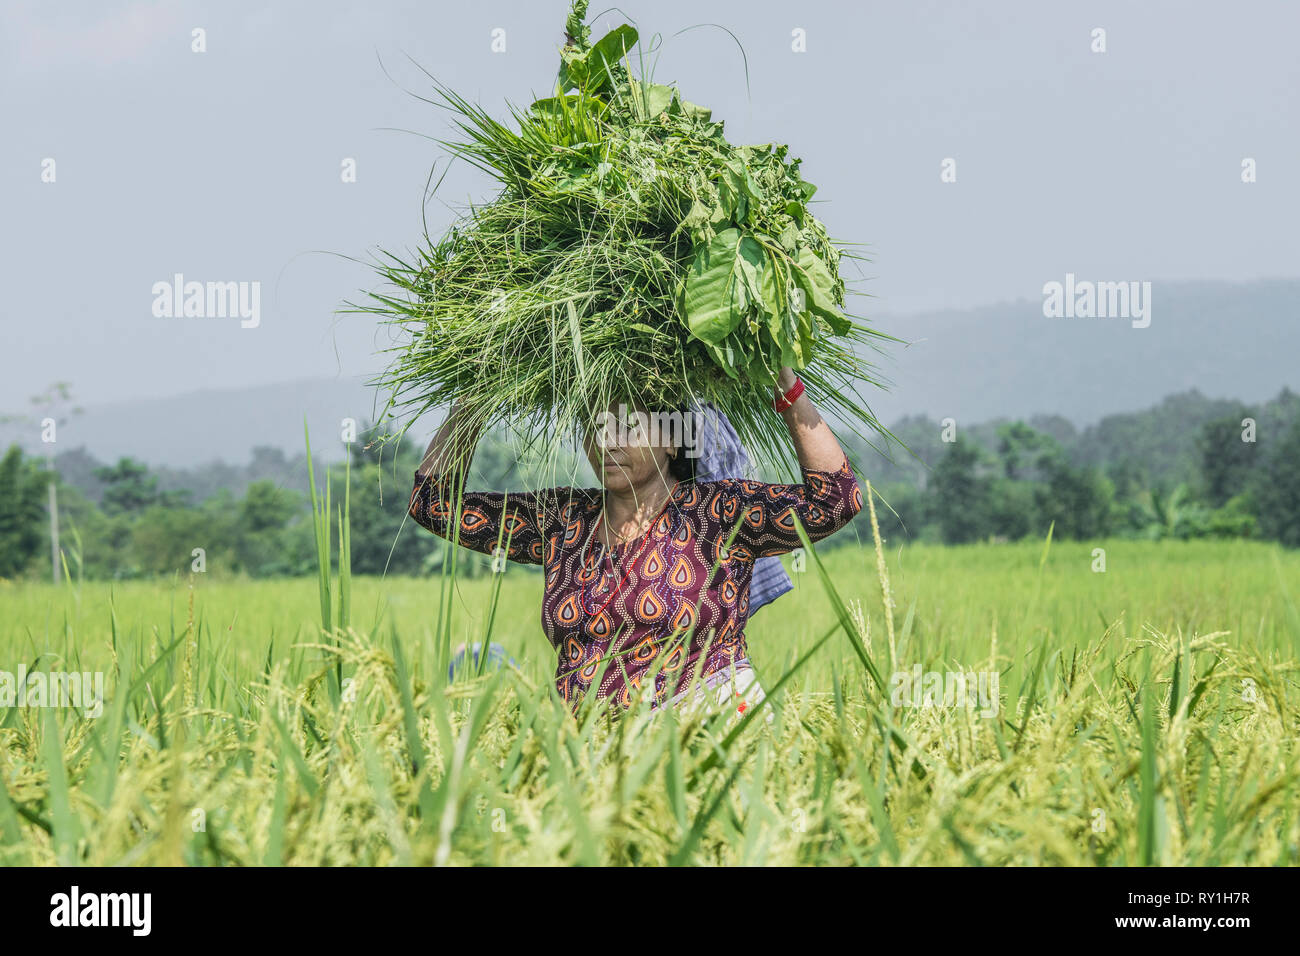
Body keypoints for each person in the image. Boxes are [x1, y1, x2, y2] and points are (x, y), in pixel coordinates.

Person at [408, 367, 863, 717]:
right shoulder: (564, 521)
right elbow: (434, 504)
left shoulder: (718, 512)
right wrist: (471, 399)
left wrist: (785, 380)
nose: (605, 440)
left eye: (626, 425)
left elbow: (835, 500)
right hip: (594, 763)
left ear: (672, 439)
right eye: (594, 425)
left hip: (711, 738)